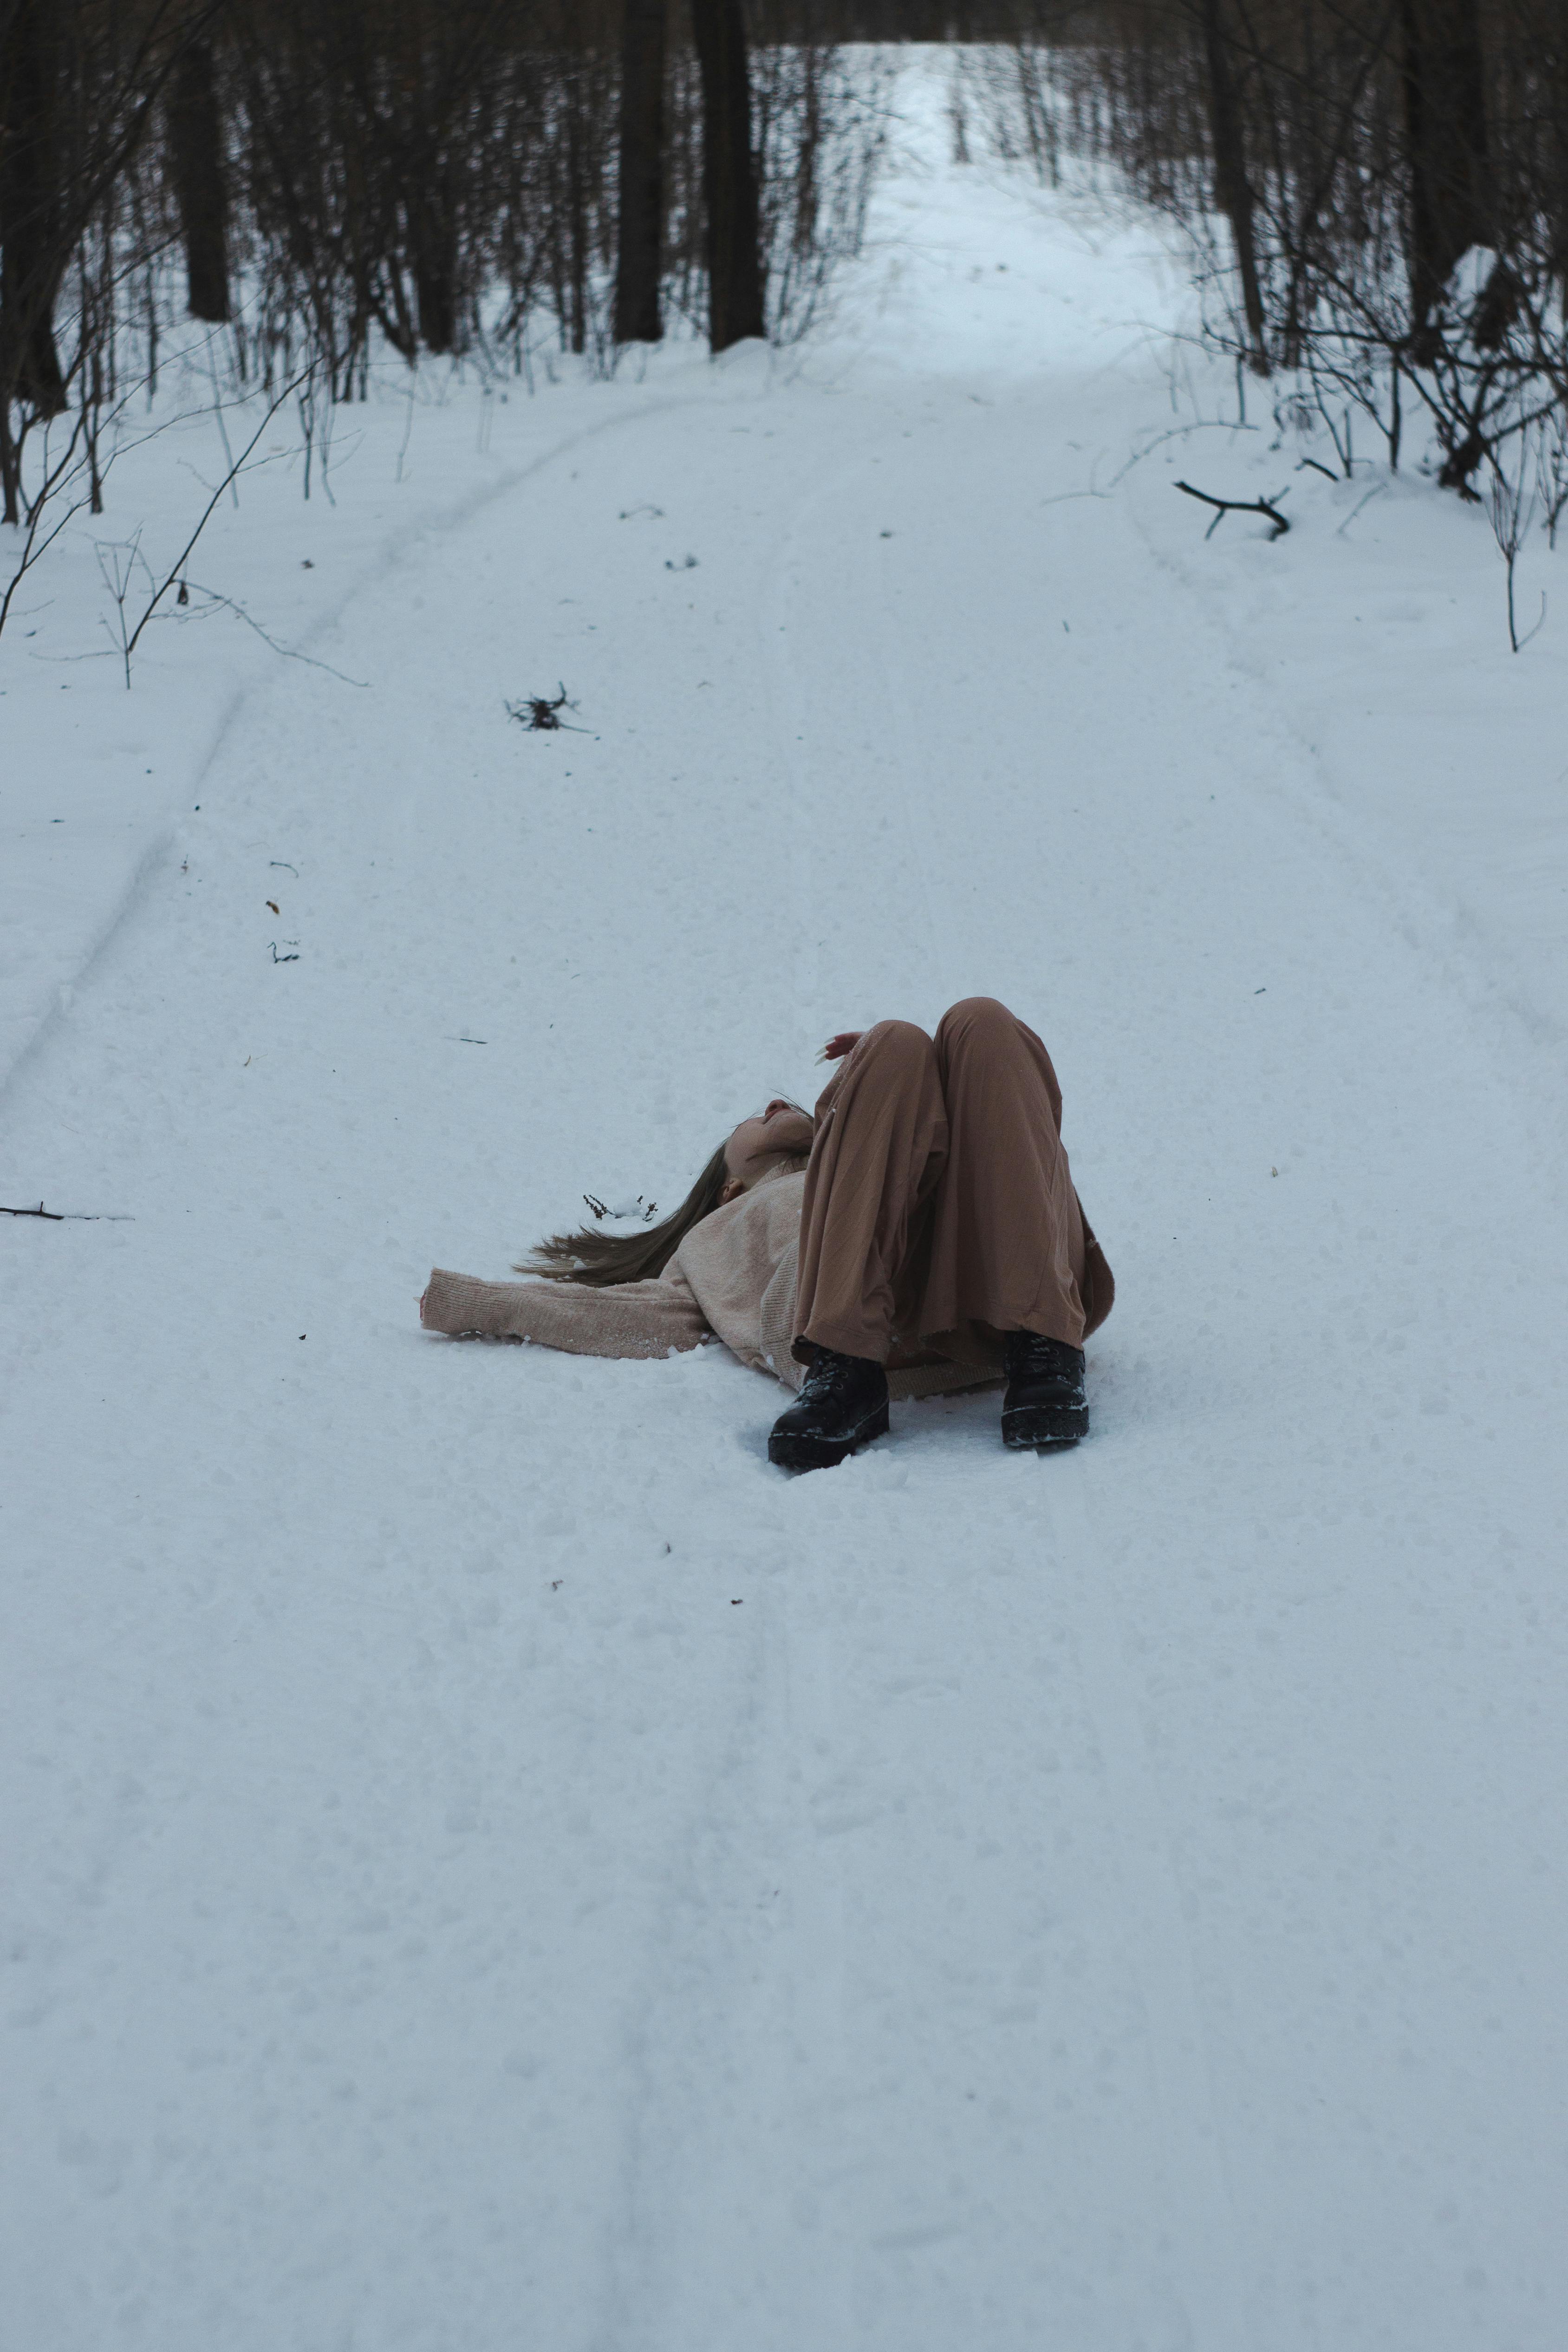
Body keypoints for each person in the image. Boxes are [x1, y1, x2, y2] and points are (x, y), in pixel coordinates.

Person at [419, 997, 1114, 1472]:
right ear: (727, 1182)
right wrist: (481, 1304)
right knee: (898, 1038)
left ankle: (1043, 1345)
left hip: (1000, 1298)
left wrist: (883, 1078)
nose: (776, 1104)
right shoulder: (716, 1234)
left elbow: (1001, 1141)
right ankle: (845, 1366)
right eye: (755, 1118)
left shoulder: (873, 1154)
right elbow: (636, 1316)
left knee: (978, 1021)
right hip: (868, 1333)